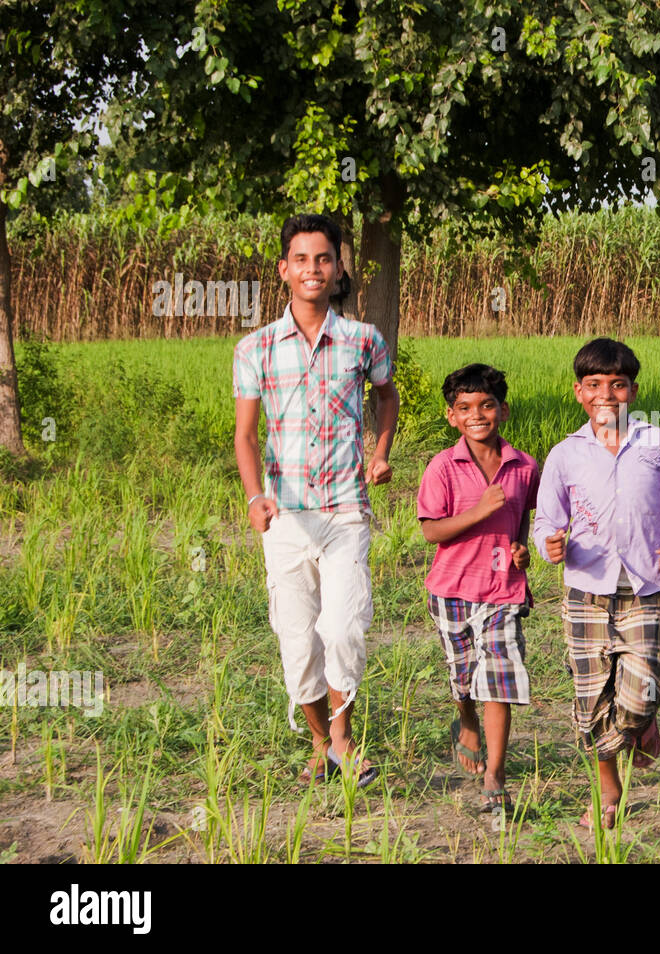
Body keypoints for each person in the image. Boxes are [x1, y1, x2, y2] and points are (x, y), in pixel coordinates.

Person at [233, 213, 399, 788]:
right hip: (285, 516)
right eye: (301, 259)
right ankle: (319, 743)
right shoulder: (254, 349)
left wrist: (380, 452)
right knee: (298, 640)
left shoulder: (363, 339)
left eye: (323, 259)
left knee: (343, 627)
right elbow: (246, 436)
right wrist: (255, 495)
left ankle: (346, 741)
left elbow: (387, 397)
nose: (313, 269)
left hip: (346, 511)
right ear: (284, 269)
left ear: (337, 269)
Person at [532, 338, 660, 829]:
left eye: (618, 385)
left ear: (633, 390)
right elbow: (546, 520)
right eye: (596, 385)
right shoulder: (566, 453)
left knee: (638, 691)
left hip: (646, 586)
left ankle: (643, 722)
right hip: (585, 588)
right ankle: (608, 789)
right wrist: (550, 545)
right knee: (592, 695)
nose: (608, 394)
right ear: (580, 392)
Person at [417, 364, 539, 815]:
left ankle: (496, 775)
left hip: (502, 589)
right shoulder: (443, 467)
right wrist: (480, 511)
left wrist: (521, 547)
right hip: (451, 590)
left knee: (499, 679)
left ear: (503, 410)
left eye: (487, 405)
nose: (477, 414)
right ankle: (465, 719)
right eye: (465, 407)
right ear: (452, 416)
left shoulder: (524, 466)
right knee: (464, 679)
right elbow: (432, 531)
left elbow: (524, 517)